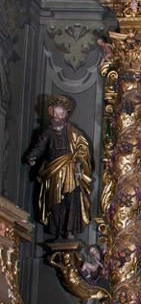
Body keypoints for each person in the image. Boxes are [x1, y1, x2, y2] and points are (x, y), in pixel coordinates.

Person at [26, 96, 92, 238]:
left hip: (69, 170)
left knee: (71, 200)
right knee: (55, 202)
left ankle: (69, 230)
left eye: (61, 114)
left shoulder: (73, 132)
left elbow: (83, 147)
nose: (58, 117)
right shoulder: (48, 133)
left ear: (66, 115)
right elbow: (39, 147)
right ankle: (57, 229)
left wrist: (79, 163)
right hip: (53, 172)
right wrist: (32, 157)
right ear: (51, 113)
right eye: (55, 114)